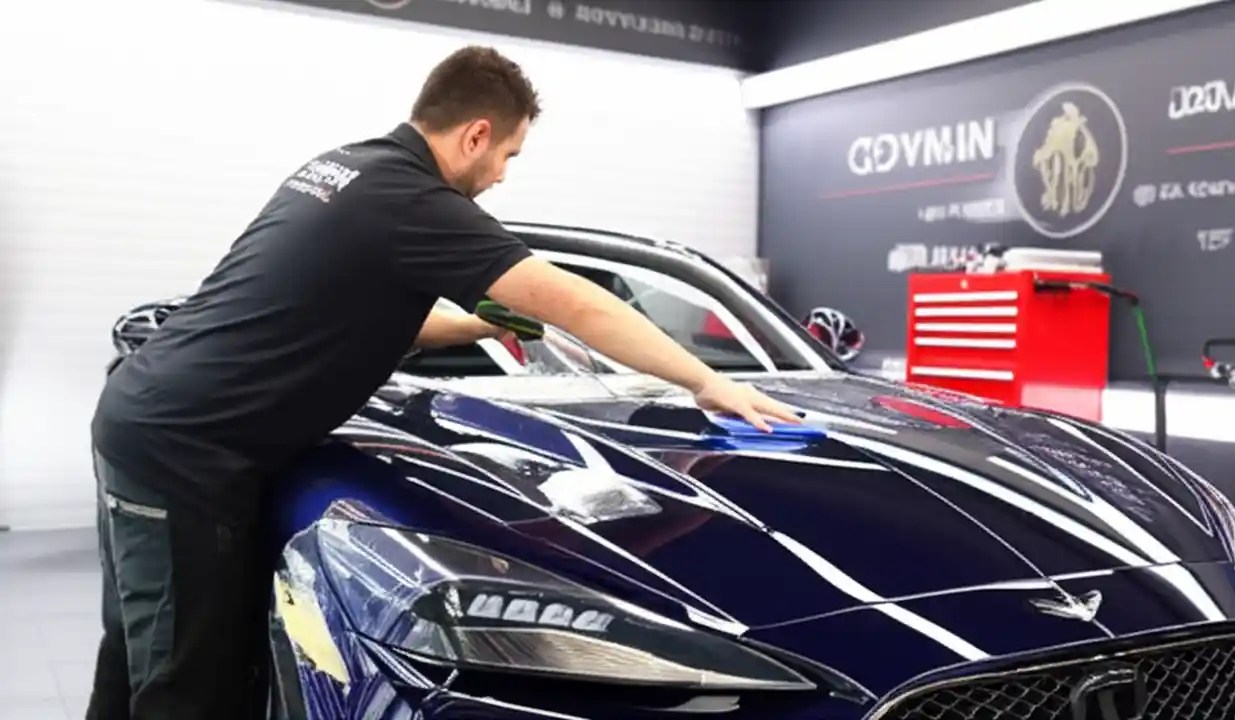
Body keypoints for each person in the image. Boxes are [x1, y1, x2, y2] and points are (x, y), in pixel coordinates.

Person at [85, 45, 800, 719]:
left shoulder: (350, 168)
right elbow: (580, 302)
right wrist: (709, 382)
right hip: (185, 454)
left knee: (134, 656)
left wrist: (485, 326)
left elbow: (373, 315)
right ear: (476, 134)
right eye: (508, 156)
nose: (501, 177)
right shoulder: (416, 202)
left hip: (146, 422)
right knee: (191, 686)